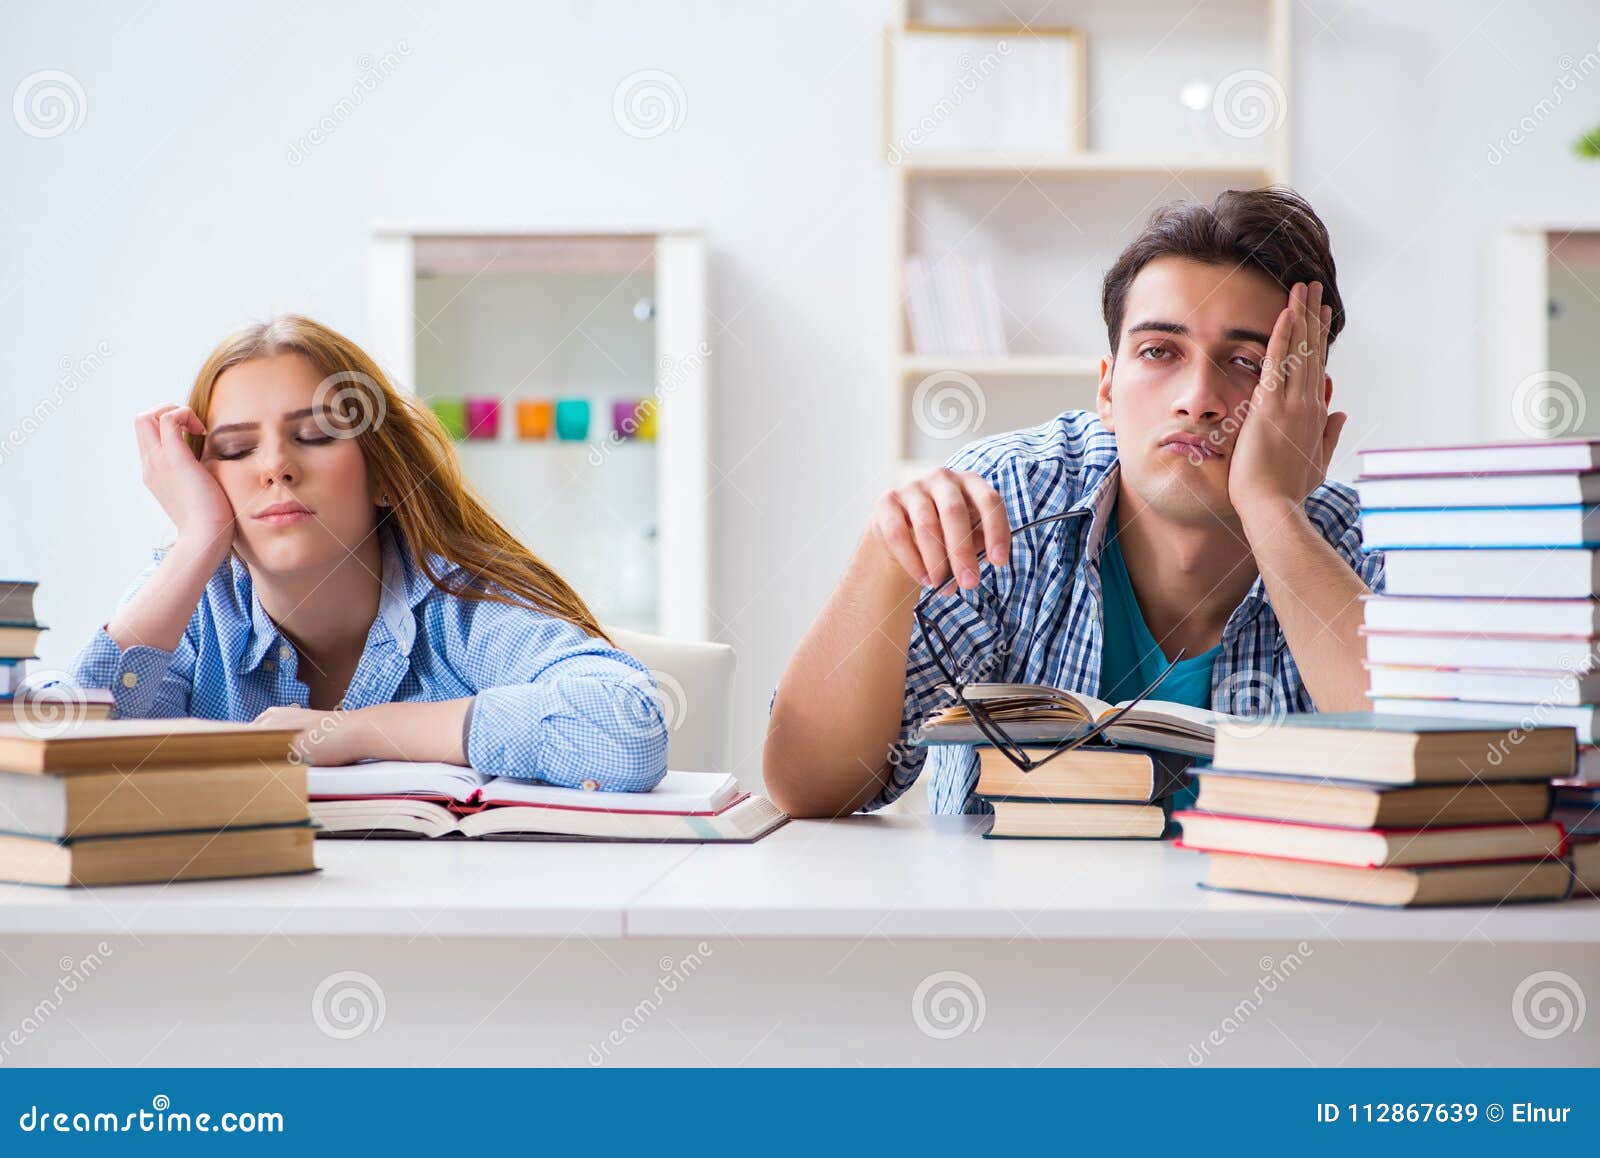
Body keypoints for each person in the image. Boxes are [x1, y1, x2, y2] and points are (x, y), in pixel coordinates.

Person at [764, 187, 1383, 817]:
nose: (1199, 399)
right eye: (1160, 351)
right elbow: (813, 790)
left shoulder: (1369, 545)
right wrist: (884, 559)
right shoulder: (1010, 498)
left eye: (1247, 361)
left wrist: (1271, 506)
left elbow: (1443, 790)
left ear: (1306, 403)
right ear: (1108, 390)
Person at [70, 314, 668, 790]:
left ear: (380, 475)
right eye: (234, 450)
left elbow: (626, 729)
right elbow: (64, 765)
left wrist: (356, 732)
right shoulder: (189, 597)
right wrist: (197, 541)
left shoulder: (459, 601)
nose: (276, 465)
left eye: (314, 436)